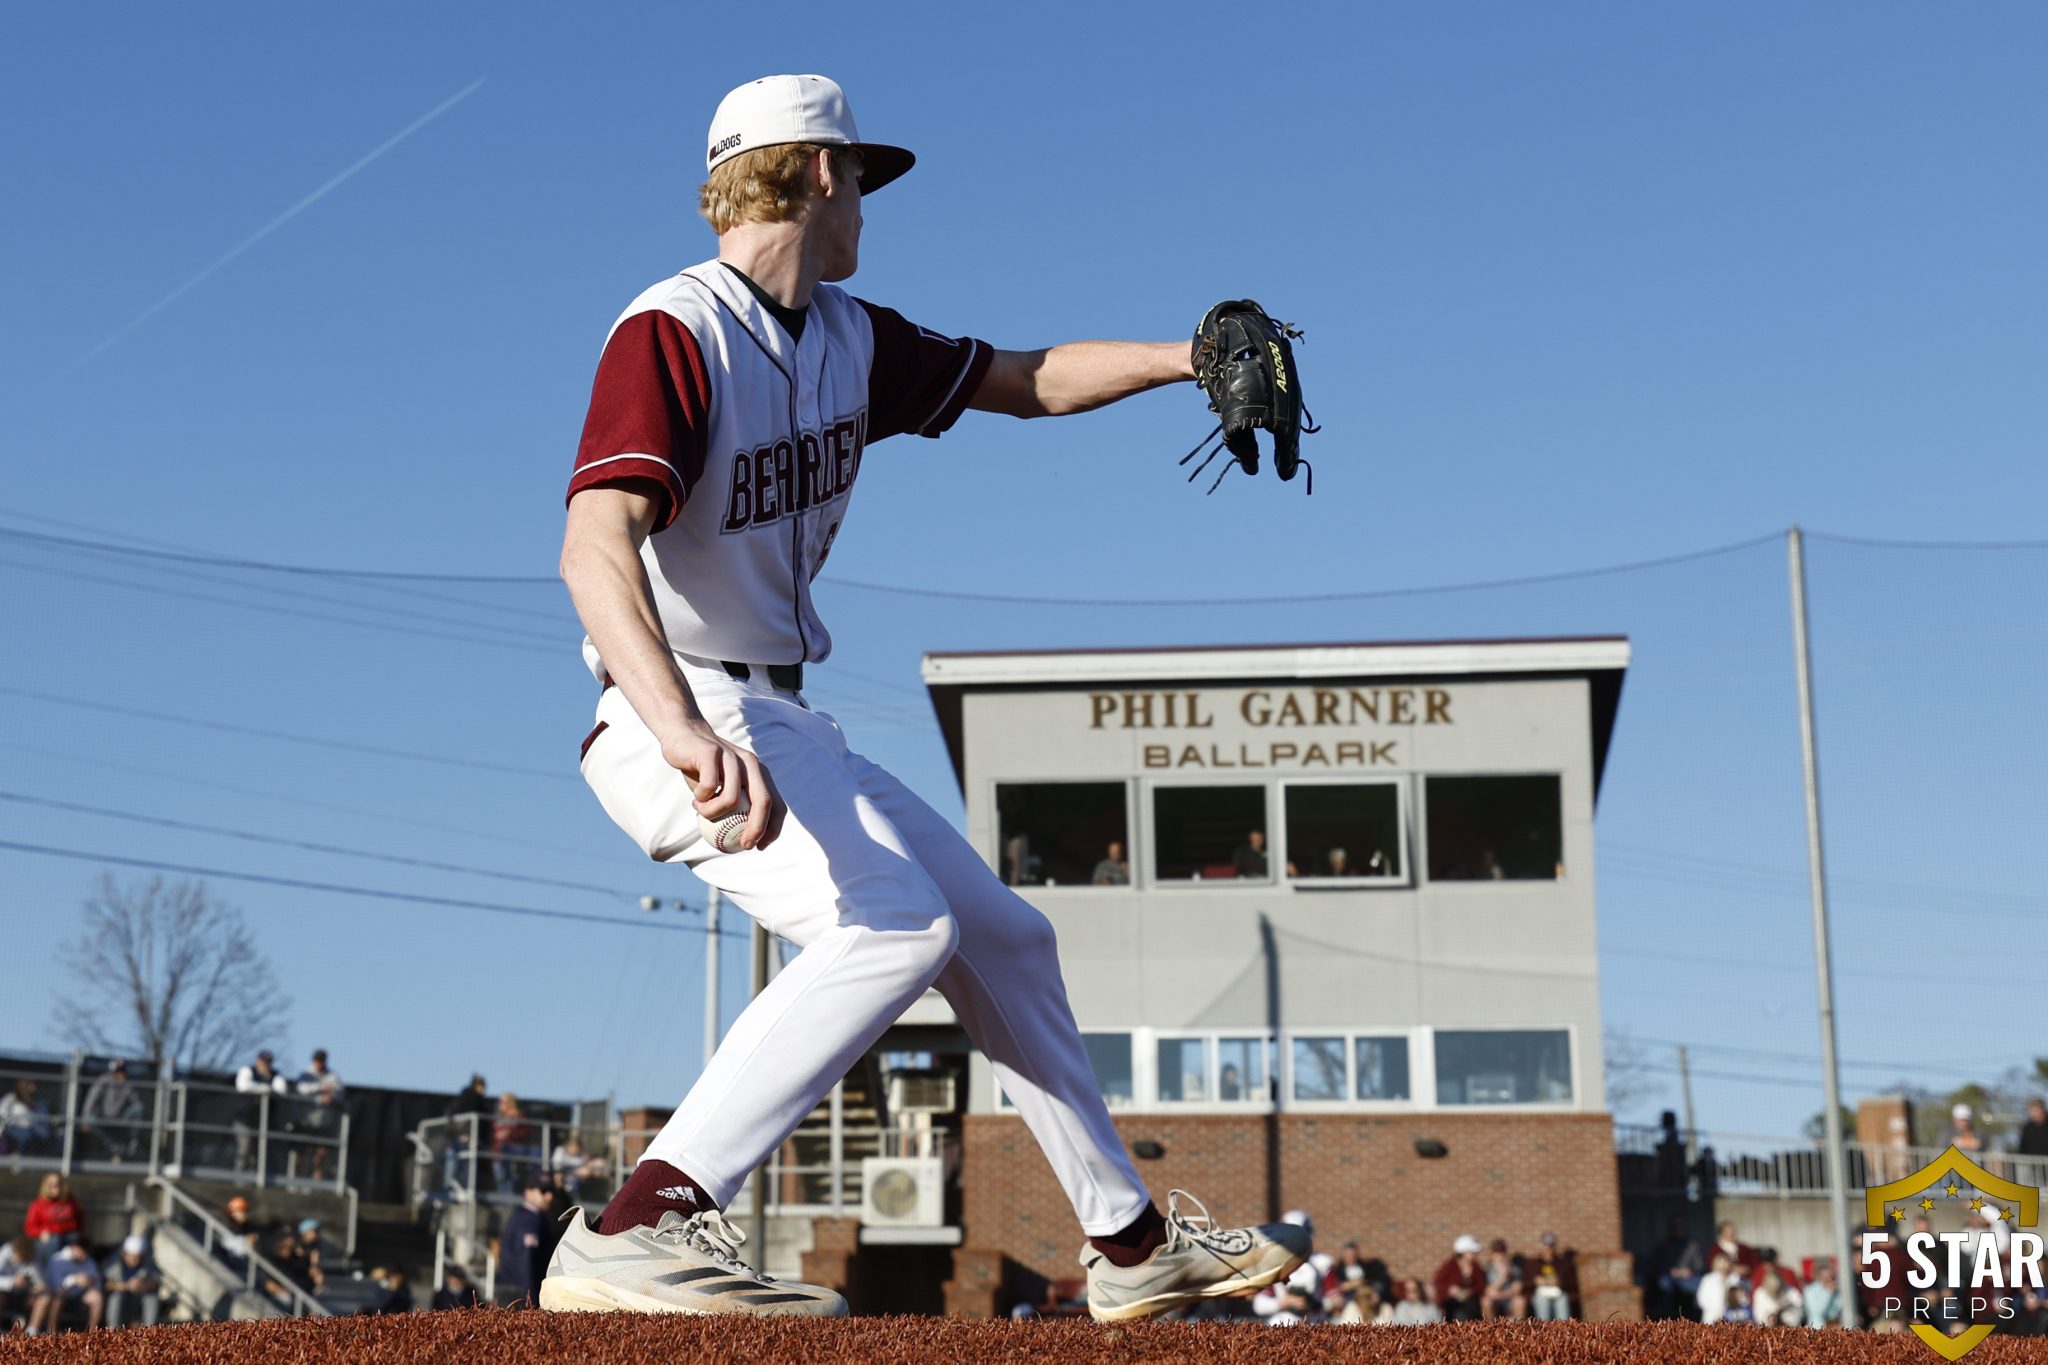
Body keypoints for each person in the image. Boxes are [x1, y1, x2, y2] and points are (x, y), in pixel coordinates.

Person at [544, 72, 1310, 1323]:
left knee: (1003, 936)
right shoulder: (673, 331)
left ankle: (1126, 1244)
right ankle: (643, 1222)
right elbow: (592, 544)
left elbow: (1024, 377)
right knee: (893, 926)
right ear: (816, 175)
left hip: (783, 716)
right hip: (672, 707)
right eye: (862, 180)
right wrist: (679, 725)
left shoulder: (848, 337)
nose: (869, 208)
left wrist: (1187, 357)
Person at [499, 1174, 556, 1306]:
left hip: (514, 1290)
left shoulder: (522, 1215)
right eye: (543, 1191)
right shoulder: (529, 1220)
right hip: (521, 1293)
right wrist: (531, 1298)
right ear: (528, 1193)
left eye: (551, 1191)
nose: (549, 1196)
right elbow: (526, 1259)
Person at [29, 1235, 103, 1334]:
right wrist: (74, 1279)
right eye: (82, 1252)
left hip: (81, 1295)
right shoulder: (57, 1260)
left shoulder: (89, 1261)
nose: (84, 1256)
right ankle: (51, 1331)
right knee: (58, 1296)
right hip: (60, 1295)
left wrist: (90, 1282)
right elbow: (57, 1285)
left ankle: (91, 1332)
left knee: (97, 1297)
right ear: (73, 1248)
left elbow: (97, 1282)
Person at [232, 1050, 288, 1173]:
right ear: (257, 1060)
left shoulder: (274, 1075)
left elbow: (282, 1090)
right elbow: (243, 1086)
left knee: (258, 1153)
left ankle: (252, 1180)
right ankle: (238, 1177)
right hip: (244, 1119)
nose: (264, 1064)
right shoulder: (247, 1071)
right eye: (262, 1061)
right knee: (245, 1148)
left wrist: (263, 1087)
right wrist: (265, 1089)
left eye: (267, 1062)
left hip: (263, 1122)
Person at [80, 1058, 145, 1161]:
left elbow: (136, 1102)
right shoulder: (103, 1081)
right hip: (103, 1119)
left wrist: (128, 1088)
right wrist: (85, 1119)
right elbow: (91, 1100)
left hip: (120, 1119)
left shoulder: (127, 1083)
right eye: (117, 1071)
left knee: (138, 1108)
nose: (120, 1074)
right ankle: (117, 1149)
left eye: (122, 1070)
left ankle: (133, 1140)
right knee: (91, 1118)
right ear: (111, 1071)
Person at [24, 1174, 84, 1275]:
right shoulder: (38, 1204)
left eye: (58, 1184)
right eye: (51, 1184)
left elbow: (79, 1221)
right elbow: (29, 1227)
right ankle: (50, 1274)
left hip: (68, 1236)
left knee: (75, 1241)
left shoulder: (71, 1201)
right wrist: (41, 1232)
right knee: (54, 1241)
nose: (56, 1187)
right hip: (50, 1239)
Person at [444, 1074, 491, 1196]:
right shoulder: (471, 1098)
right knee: (463, 1165)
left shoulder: (467, 1098)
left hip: (460, 1137)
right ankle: (458, 1190)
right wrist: (466, 1133)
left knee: (460, 1164)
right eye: (482, 1087)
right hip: (463, 1137)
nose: (484, 1090)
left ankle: (455, 1190)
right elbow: (466, 1116)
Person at [102, 1235, 161, 1329]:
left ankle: (149, 1330)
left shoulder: (147, 1263)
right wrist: (127, 1286)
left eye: (138, 1257)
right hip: (120, 1301)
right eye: (132, 1257)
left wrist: (143, 1285)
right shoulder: (113, 1263)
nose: (135, 1261)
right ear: (125, 1254)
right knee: (116, 1296)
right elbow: (106, 1285)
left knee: (151, 1297)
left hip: (138, 1299)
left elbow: (156, 1283)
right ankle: (113, 1330)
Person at [1433, 1234, 1485, 1321]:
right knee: (1459, 1314)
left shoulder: (1476, 1267)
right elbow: (1438, 1282)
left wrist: (1469, 1292)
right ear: (1463, 1252)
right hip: (1451, 1303)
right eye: (1472, 1252)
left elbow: (1481, 1285)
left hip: (1471, 1302)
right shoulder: (1450, 1265)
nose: (1476, 1254)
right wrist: (1452, 1290)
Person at [0, 1078, 55, 1157]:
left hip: (34, 1138)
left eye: (34, 1084)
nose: (34, 1087)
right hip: (13, 1136)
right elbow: (2, 1116)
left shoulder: (40, 1104)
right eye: (30, 1084)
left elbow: (44, 1128)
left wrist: (38, 1131)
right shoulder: (10, 1099)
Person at [493, 1093, 536, 1189]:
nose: (500, 1104)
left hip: (513, 1153)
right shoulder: (498, 1117)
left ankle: (508, 1202)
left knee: (511, 1178)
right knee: (500, 1178)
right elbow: (492, 1133)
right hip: (498, 1153)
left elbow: (525, 1131)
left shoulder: (520, 1116)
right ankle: (502, 1201)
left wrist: (509, 1134)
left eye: (503, 1102)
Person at [1, 1235, 42, 1330]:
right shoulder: (4, 1254)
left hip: (25, 1292)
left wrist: (34, 1292)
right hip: (5, 1291)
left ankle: (32, 1330)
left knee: (44, 1297)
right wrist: (12, 1281)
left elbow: (40, 1282)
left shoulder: (32, 1256)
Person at [1482, 1237, 1526, 1319]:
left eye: (1502, 1252)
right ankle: (1490, 1327)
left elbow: (1517, 1290)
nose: (1500, 1255)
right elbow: (1488, 1292)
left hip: (1509, 1300)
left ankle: (1517, 1327)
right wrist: (1502, 1278)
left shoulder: (1514, 1269)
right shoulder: (1487, 1269)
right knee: (1486, 1301)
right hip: (1495, 1301)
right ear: (1492, 1254)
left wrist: (1499, 1295)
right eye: (1496, 1252)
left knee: (1520, 1301)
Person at [1802, 1260, 1842, 1328]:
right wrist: (1828, 1292)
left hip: (1835, 1328)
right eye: (1826, 1277)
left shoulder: (1837, 1291)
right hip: (1817, 1329)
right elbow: (1818, 1312)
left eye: (1831, 1276)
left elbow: (1837, 1311)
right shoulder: (1810, 1290)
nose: (1829, 1279)